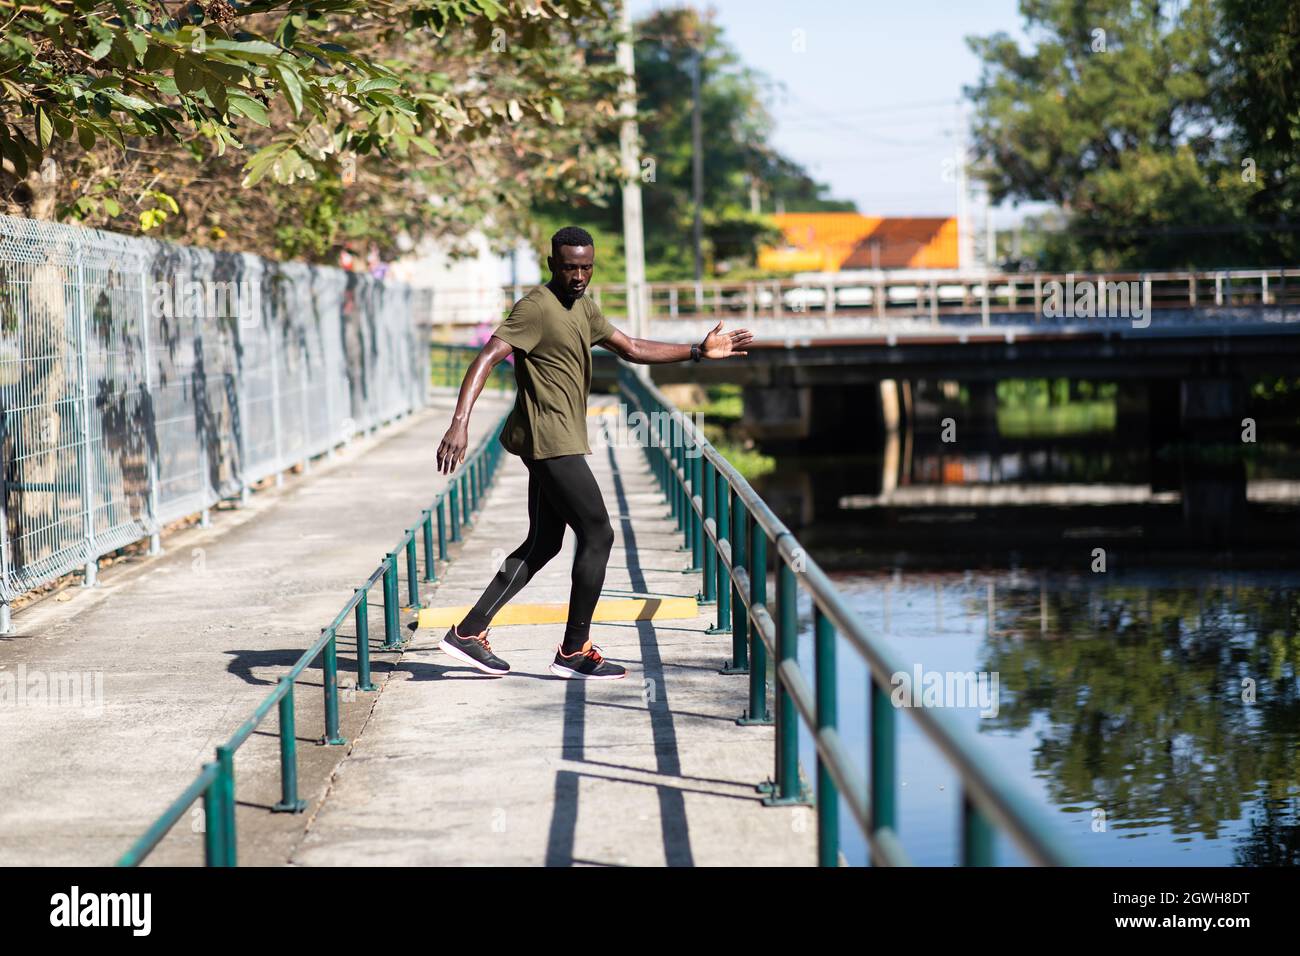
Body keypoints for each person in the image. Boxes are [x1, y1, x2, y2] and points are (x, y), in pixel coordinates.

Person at [434, 226, 753, 679]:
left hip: (557, 439)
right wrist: (459, 424)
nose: (580, 275)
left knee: (544, 542)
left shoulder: (583, 307)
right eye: (570, 267)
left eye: (586, 266)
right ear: (553, 265)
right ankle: (573, 650)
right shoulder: (536, 307)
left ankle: (468, 633)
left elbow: (633, 348)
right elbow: (486, 358)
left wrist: (697, 352)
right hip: (550, 440)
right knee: (599, 533)